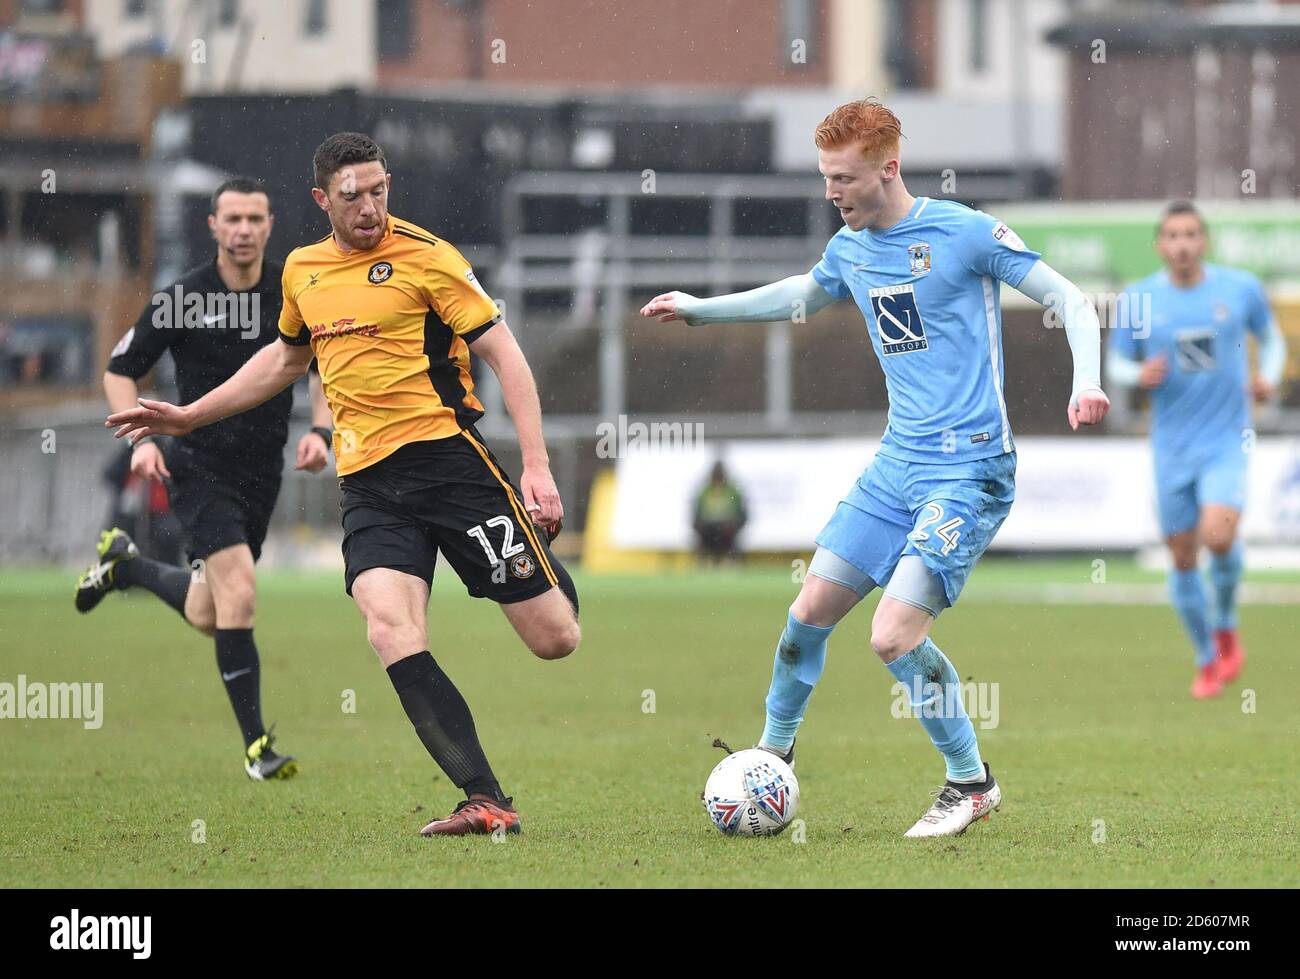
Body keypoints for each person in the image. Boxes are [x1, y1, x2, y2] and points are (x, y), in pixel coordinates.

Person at [641, 98, 1109, 838]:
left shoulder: (963, 233)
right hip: (897, 467)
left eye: (844, 179)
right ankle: (773, 755)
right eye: (826, 178)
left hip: (971, 470)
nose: (832, 194)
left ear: (888, 168)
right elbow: (802, 294)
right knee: (805, 618)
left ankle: (971, 782)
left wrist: (1086, 380)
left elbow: (1068, 298)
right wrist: (705, 310)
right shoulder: (850, 248)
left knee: (892, 635)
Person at [107, 133, 580, 837]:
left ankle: (541, 564)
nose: (369, 207)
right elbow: (284, 360)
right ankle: (485, 797)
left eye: (379, 189)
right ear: (322, 200)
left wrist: (537, 466)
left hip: (449, 465)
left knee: (555, 639)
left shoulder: (429, 256)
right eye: (353, 195)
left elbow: (504, 353)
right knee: (388, 627)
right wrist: (189, 415)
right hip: (368, 483)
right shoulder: (303, 270)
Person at [77, 177, 333, 780]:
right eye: (232, 219)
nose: (243, 230)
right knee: (240, 593)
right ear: (212, 226)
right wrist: (140, 438)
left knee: (207, 613)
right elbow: (120, 371)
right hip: (197, 466)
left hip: (262, 470)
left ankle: (126, 567)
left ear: (270, 226)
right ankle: (257, 749)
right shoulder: (182, 298)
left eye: (254, 219)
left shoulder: (291, 294)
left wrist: (321, 432)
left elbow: (321, 370)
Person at [1108, 201, 1286, 699]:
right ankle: (1207, 657)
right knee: (1183, 557)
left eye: (1191, 235)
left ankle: (1226, 623)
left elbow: (1271, 343)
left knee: (1220, 535)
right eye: (1172, 236)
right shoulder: (1140, 299)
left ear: (1204, 241)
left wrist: (1267, 379)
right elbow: (1117, 362)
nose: (1182, 245)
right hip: (1171, 445)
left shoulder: (1240, 288)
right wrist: (1136, 375)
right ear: (1159, 246)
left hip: (1227, 439)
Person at [693, 460, 748, 565]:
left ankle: (730, 561)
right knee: (706, 532)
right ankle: (704, 561)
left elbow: (743, 514)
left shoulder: (733, 491)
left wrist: (735, 524)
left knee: (727, 530)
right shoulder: (705, 491)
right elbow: (696, 514)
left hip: (727, 530)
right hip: (708, 530)